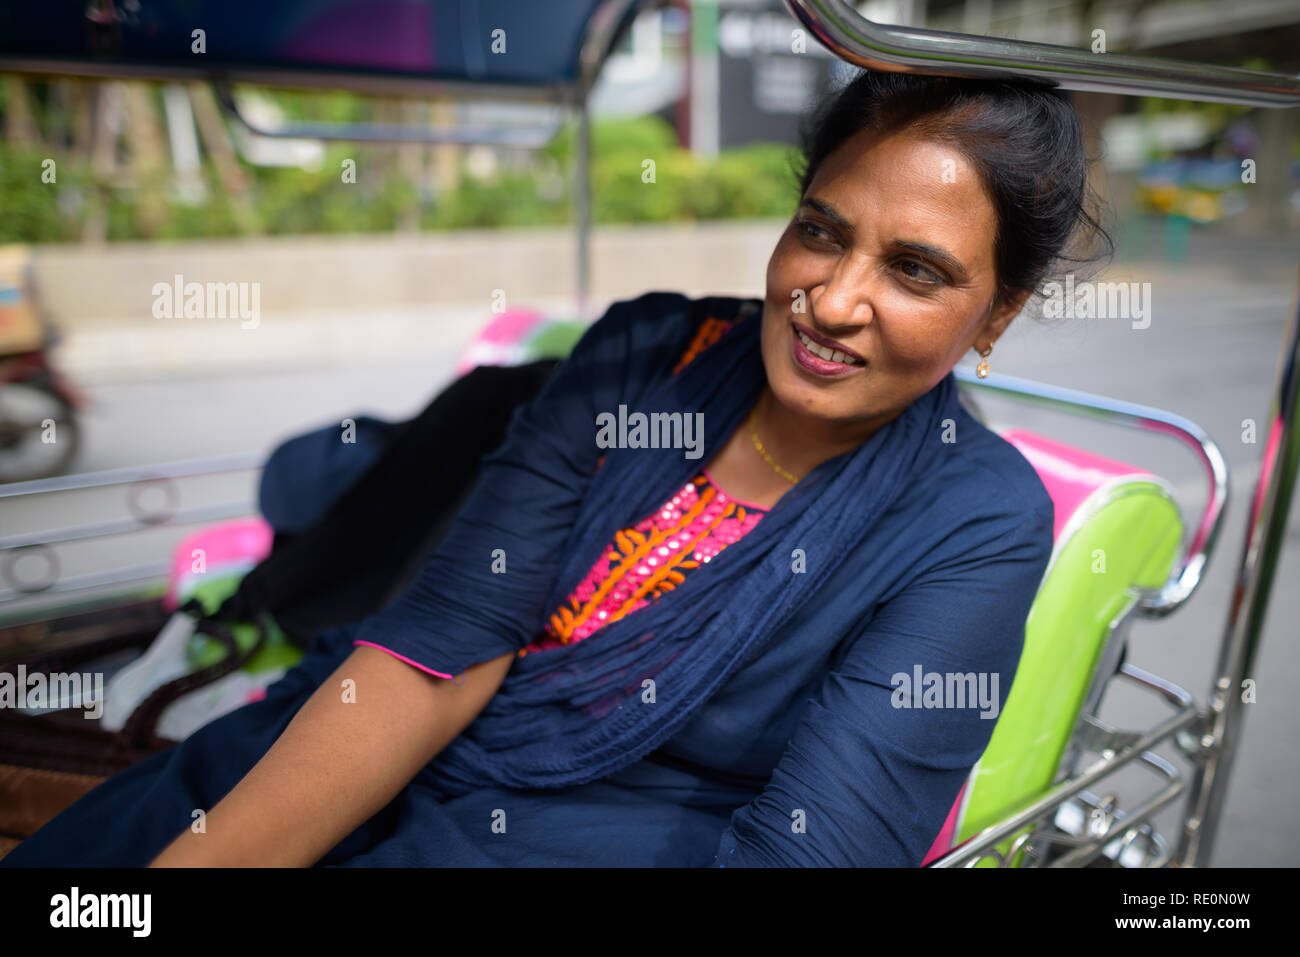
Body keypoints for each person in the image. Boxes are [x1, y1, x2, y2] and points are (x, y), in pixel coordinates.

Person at [1, 70, 1110, 868]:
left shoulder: (975, 518)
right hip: (375, 748)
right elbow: (440, 649)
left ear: (995, 313)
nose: (831, 299)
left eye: (914, 270)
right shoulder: (642, 355)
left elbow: (816, 847)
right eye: (820, 232)